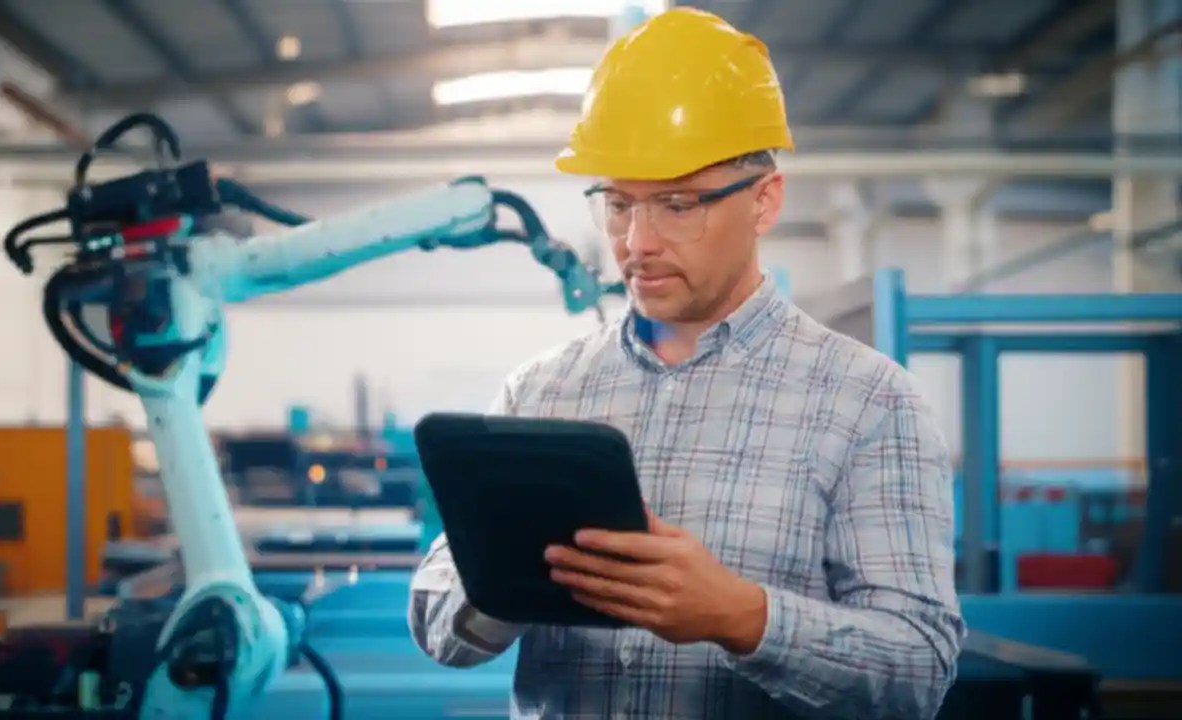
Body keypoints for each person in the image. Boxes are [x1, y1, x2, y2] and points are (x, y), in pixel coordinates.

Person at [408, 7, 964, 719]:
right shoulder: (541, 391)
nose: (637, 241)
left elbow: (918, 667)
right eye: (617, 203)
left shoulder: (868, 404)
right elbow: (436, 626)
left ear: (764, 202)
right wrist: (506, 582)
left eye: (676, 205)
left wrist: (743, 618)